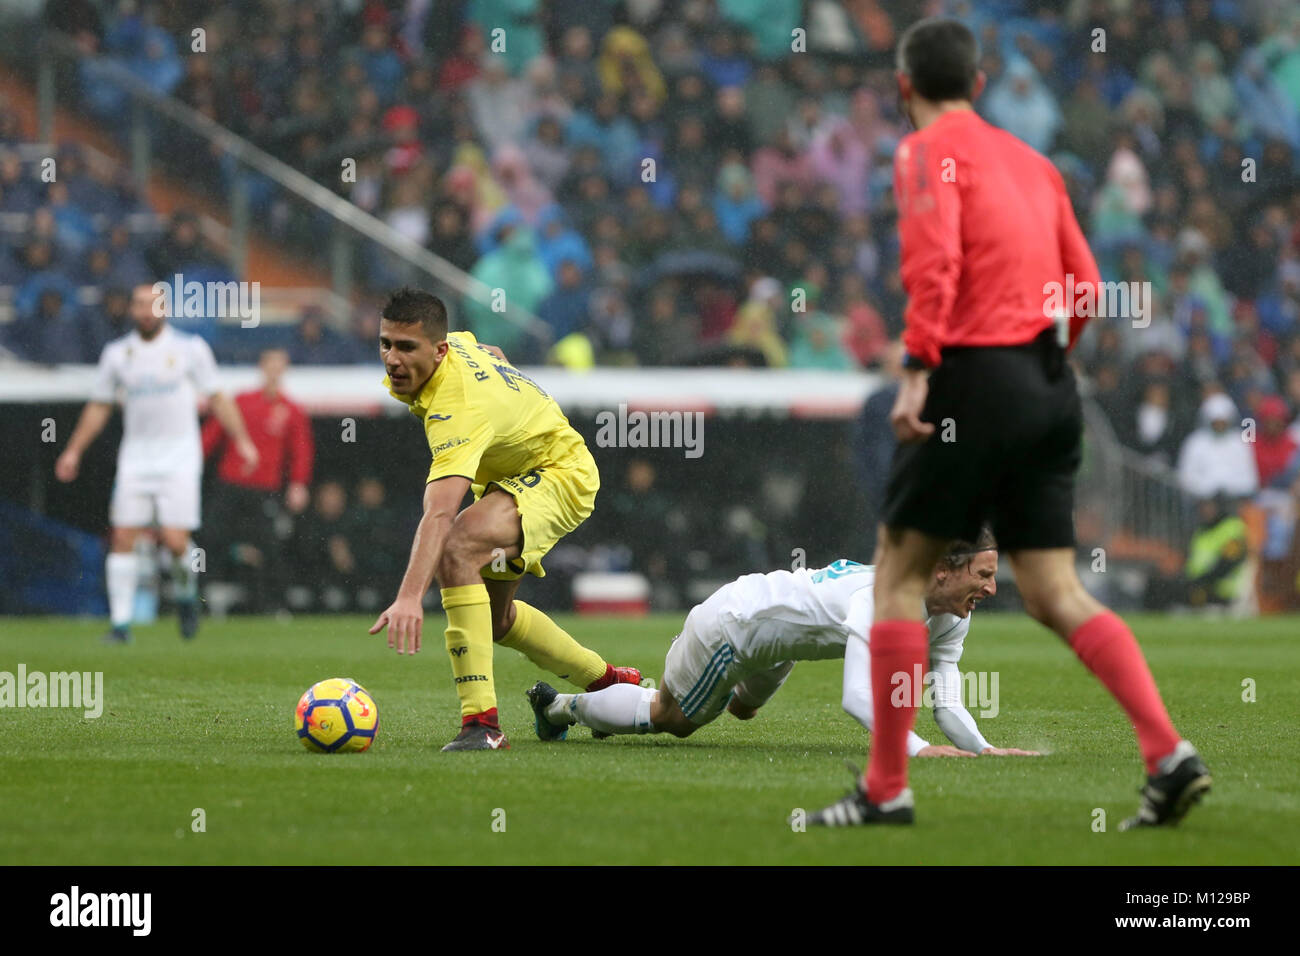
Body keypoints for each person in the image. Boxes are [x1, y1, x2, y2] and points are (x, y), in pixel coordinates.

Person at [808, 18, 1209, 830]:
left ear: (902, 87)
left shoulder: (920, 153)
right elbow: (1088, 289)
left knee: (896, 579)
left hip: (974, 377)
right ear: (982, 86)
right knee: (1056, 591)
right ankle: (1168, 757)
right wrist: (1053, 366)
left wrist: (919, 370)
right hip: (1049, 386)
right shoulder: (1035, 163)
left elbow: (934, 264)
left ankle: (886, 788)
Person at [367, 288, 641, 751]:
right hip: (515, 475)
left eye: (406, 347)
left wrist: (409, 598)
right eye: (386, 343)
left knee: (456, 546)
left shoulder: (457, 409)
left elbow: (438, 512)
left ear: (438, 350)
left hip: (558, 474)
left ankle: (482, 726)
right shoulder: (456, 343)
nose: (392, 359)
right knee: (494, 621)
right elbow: (491, 352)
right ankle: (612, 683)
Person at [527, 533, 1037, 762]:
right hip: (735, 627)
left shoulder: (948, 615)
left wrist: (982, 749)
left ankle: (630, 698)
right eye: (984, 575)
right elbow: (857, 698)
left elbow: (945, 699)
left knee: (744, 710)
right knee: (673, 719)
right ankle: (561, 708)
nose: (992, 588)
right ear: (943, 570)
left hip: (778, 646)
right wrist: (919, 750)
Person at [54, 283, 259, 642]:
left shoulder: (189, 349)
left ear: (165, 309)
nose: (146, 311)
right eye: (139, 304)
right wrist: (73, 450)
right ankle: (120, 625)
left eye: (153, 304)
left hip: (179, 457)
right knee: (123, 536)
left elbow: (218, 398)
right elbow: (100, 404)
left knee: (175, 541)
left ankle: (185, 597)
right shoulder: (118, 353)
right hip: (135, 458)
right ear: (131, 309)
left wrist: (242, 441)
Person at [201, 348, 314, 612]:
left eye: (280, 364)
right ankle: (202, 600)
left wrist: (298, 484)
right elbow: (212, 435)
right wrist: (189, 463)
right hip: (230, 484)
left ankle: (273, 604)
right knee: (211, 537)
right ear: (261, 367)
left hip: (265, 490)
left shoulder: (292, 409)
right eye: (271, 364)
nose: (275, 370)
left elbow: (301, 450)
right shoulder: (240, 401)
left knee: (270, 547)